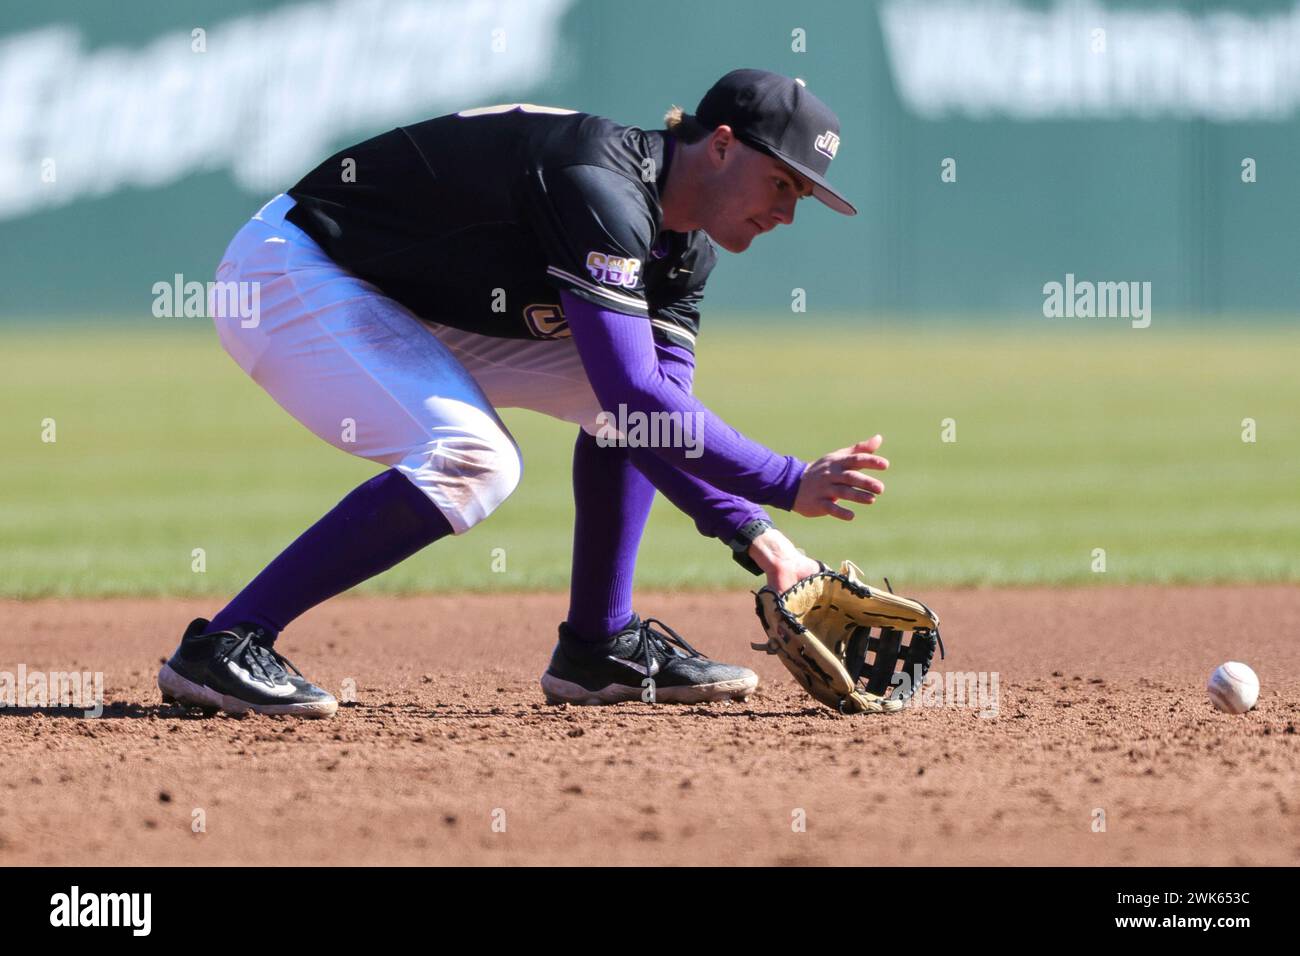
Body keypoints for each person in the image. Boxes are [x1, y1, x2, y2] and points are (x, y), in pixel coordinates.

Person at [157, 69, 890, 718]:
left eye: (801, 195)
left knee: (627, 410)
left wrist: (771, 548)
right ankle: (225, 643)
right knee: (478, 460)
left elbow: (653, 418)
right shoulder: (600, 185)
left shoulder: (683, 248)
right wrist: (788, 482)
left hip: (411, 302)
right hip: (294, 275)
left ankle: (598, 647)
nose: (788, 212)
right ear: (722, 145)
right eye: (783, 183)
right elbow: (637, 395)